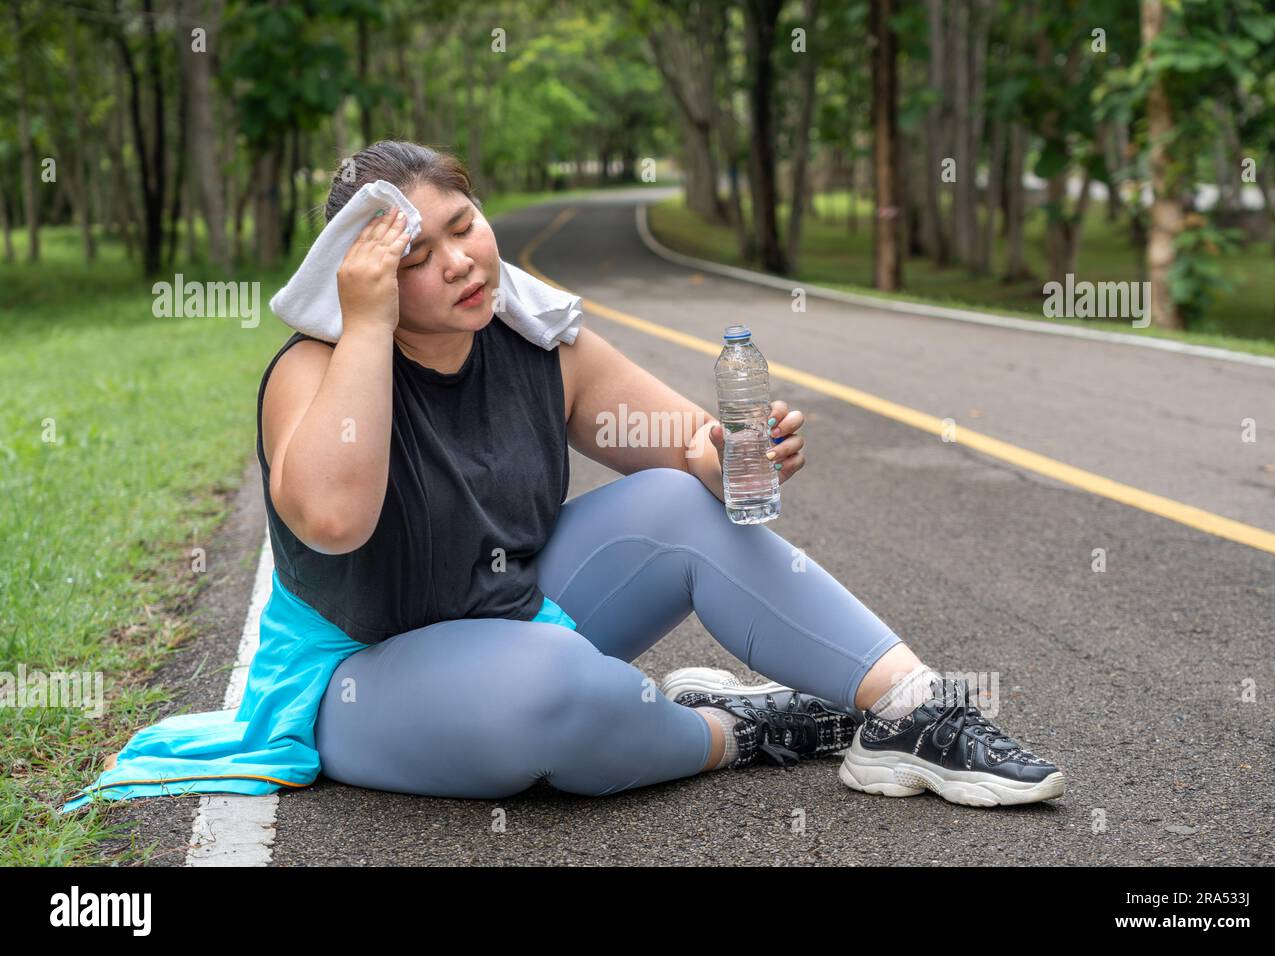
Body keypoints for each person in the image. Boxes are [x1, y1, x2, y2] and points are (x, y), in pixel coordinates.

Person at [93, 140, 1065, 812]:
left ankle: (912, 711)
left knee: (680, 505)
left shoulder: (533, 338)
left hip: (512, 608)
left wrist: (731, 453)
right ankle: (733, 729)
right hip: (359, 676)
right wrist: (368, 323)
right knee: (552, 688)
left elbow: (682, 445)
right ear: (369, 277)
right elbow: (338, 517)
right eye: (415, 256)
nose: (461, 263)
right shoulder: (316, 368)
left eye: (464, 225)